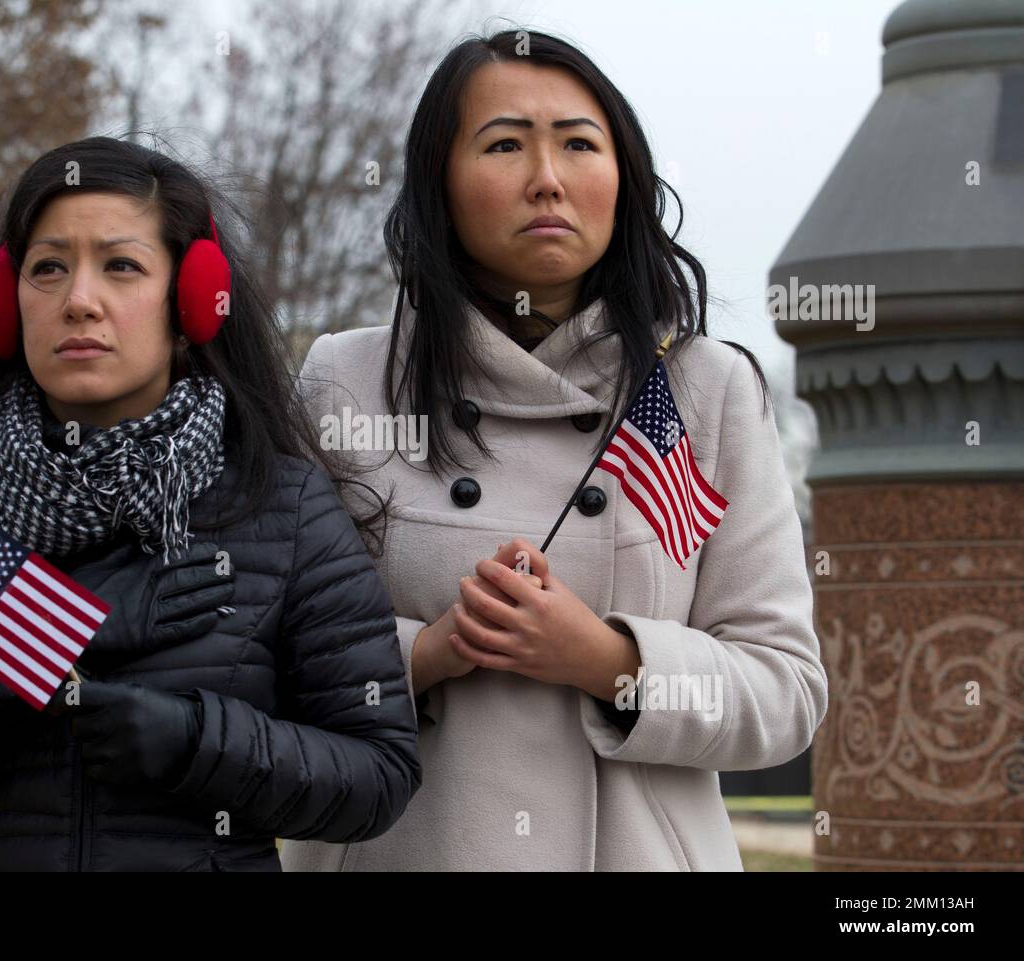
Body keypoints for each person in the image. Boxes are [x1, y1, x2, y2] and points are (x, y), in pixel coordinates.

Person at [281, 29, 827, 871]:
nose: (548, 177)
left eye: (579, 142)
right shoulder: (343, 379)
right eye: (504, 144)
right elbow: (272, 647)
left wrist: (606, 659)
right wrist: (427, 653)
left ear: (624, 179)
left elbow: (786, 692)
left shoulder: (707, 389)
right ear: (440, 185)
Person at [0, 135, 421, 871]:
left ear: (191, 304)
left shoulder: (284, 505)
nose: (79, 300)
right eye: (48, 268)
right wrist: (29, 640)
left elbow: (379, 773)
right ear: (9, 304)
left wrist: (195, 740)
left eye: (121, 266)